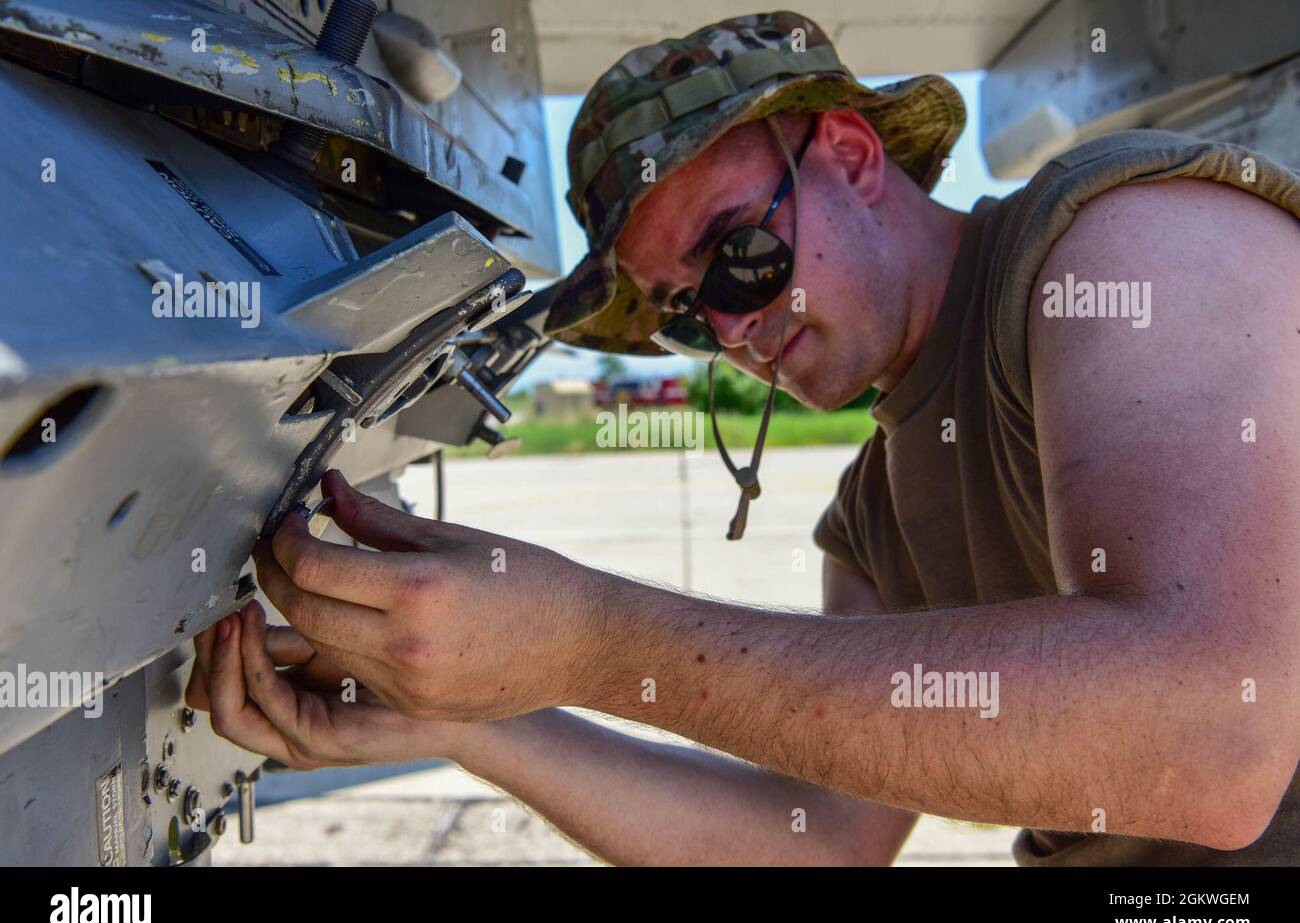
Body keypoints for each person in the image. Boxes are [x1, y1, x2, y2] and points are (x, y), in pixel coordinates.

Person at [187, 12, 1300, 865]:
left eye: (733, 254)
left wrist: (596, 641)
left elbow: (1215, 737)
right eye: (679, 310)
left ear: (853, 160)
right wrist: (467, 723)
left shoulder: (1120, 239)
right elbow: (817, 839)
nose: (724, 325)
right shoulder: (874, 521)